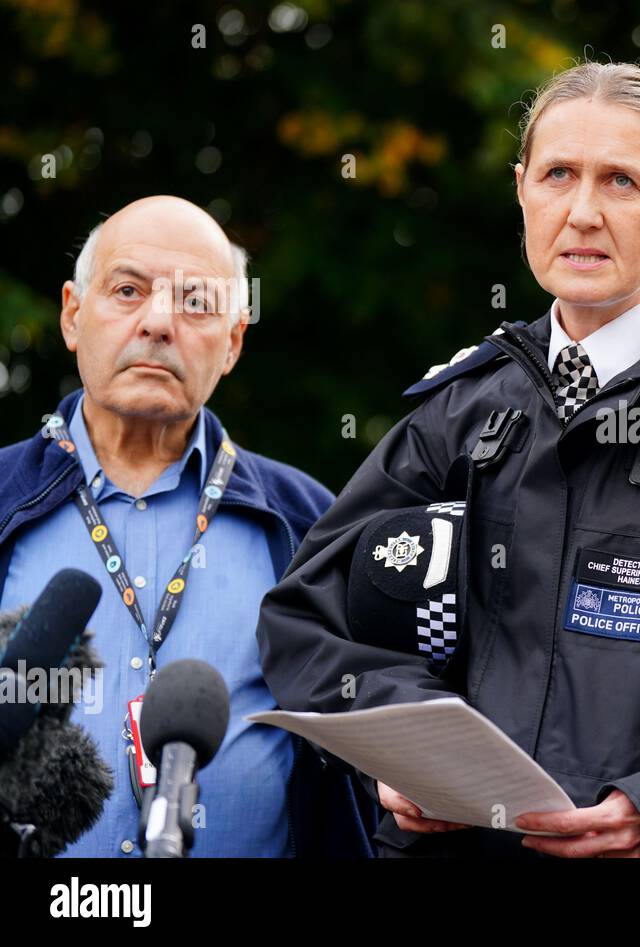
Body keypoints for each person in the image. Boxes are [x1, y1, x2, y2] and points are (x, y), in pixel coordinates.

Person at [256, 61, 640, 858]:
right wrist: (406, 750)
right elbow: (309, 620)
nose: (583, 212)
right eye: (558, 176)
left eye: (621, 181)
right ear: (522, 191)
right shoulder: (460, 408)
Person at [0, 196, 373, 857]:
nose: (160, 322)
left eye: (196, 301)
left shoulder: (311, 520)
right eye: (128, 290)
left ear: (232, 343)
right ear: (71, 315)